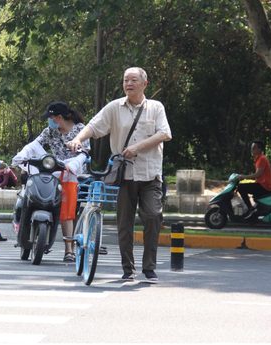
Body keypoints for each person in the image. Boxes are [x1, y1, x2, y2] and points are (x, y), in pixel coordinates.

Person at [67, 67, 172, 282]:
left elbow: (165, 133)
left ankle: (149, 267)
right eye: (126, 80)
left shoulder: (155, 107)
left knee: (152, 216)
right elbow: (93, 127)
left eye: (133, 80)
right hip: (124, 174)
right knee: (124, 223)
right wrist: (79, 139)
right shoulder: (114, 107)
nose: (129, 84)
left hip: (151, 173)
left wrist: (137, 147)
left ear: (145, 83)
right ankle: (128, 268)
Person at [30, 101, 90, 262]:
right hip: (54, 174)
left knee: (68, 213)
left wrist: (73, 163)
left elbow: (85, 152)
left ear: (59, 117)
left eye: (51, 118)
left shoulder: (80, 130)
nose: (49, 121)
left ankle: (69, 250)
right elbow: (35, 145)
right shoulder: (50, 131)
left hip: (74, 177)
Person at [237, 141, 271, 219]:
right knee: (244, 187)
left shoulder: (262, 159)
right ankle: (252, 210)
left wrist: (243, 177)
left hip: (264, 186)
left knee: (241, 187)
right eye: (251, 148)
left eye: (254, 148)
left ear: (260, 149)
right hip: (262, 185)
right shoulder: (258, 159)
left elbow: (258, 174)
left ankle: (250, 208)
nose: (252, 150)